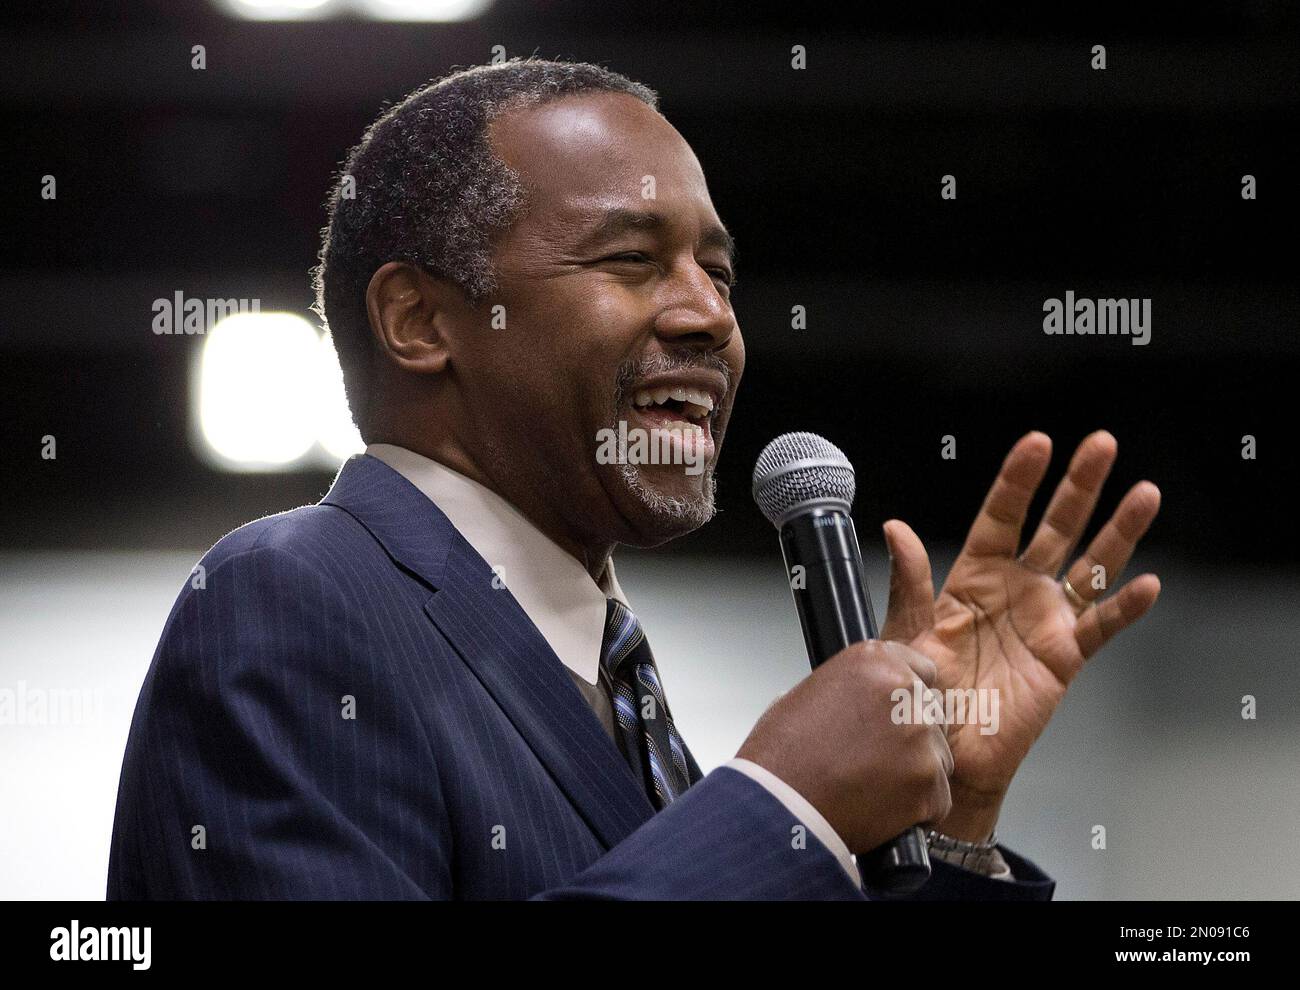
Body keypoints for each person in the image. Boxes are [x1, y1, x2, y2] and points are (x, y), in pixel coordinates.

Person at [107, 58, 1161, 900]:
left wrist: (945, 835)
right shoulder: (292, 597)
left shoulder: (617, 698)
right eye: (628, 260)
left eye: (718, 270)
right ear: (421, 321)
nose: (710, 316)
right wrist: (779, 807)